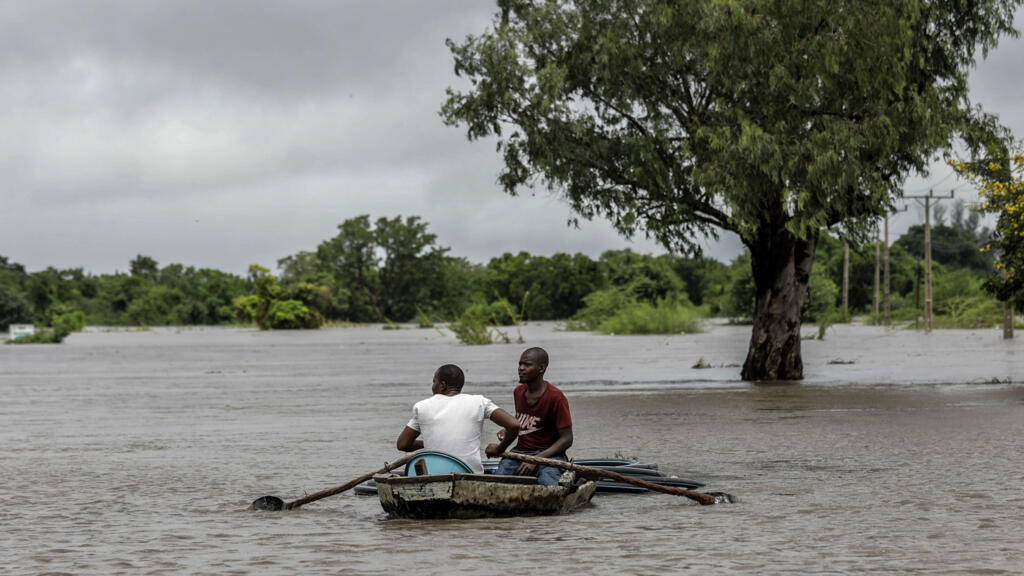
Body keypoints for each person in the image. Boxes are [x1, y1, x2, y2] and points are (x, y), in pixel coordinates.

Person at [396, 363, 519, 474]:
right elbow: (513, 425)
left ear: (442, 386)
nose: (432, 386)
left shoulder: (421, 407)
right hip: (470, 474)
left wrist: (431, 444)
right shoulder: (480, 402)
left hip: (434, 473)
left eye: (434, 382)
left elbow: (403, 444)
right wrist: (500, 448)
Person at [491, 347, 573, 486]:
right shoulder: (518, 392)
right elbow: (527, 422)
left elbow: (567, 439)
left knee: (549, 484)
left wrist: (535, 460)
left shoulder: (556, 397)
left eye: (527, 365)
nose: (521, 368)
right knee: (499, 481)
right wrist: (509, 431)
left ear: (541, 368)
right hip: (520, 452)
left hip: (549, 455)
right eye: (520, 364)